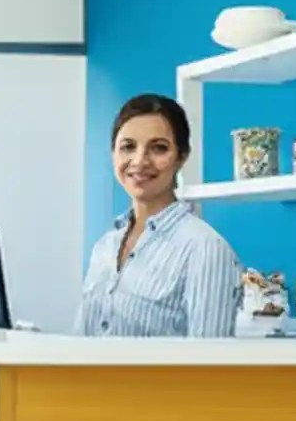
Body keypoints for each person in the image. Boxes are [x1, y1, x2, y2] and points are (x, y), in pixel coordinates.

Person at [76, 93, 242, 337]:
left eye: (158, 148)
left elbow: (209, 365)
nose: (140, 161)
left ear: (181, 157)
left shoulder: (205, 249)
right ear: (113, 154)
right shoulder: (105, 246)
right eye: (128, 147)